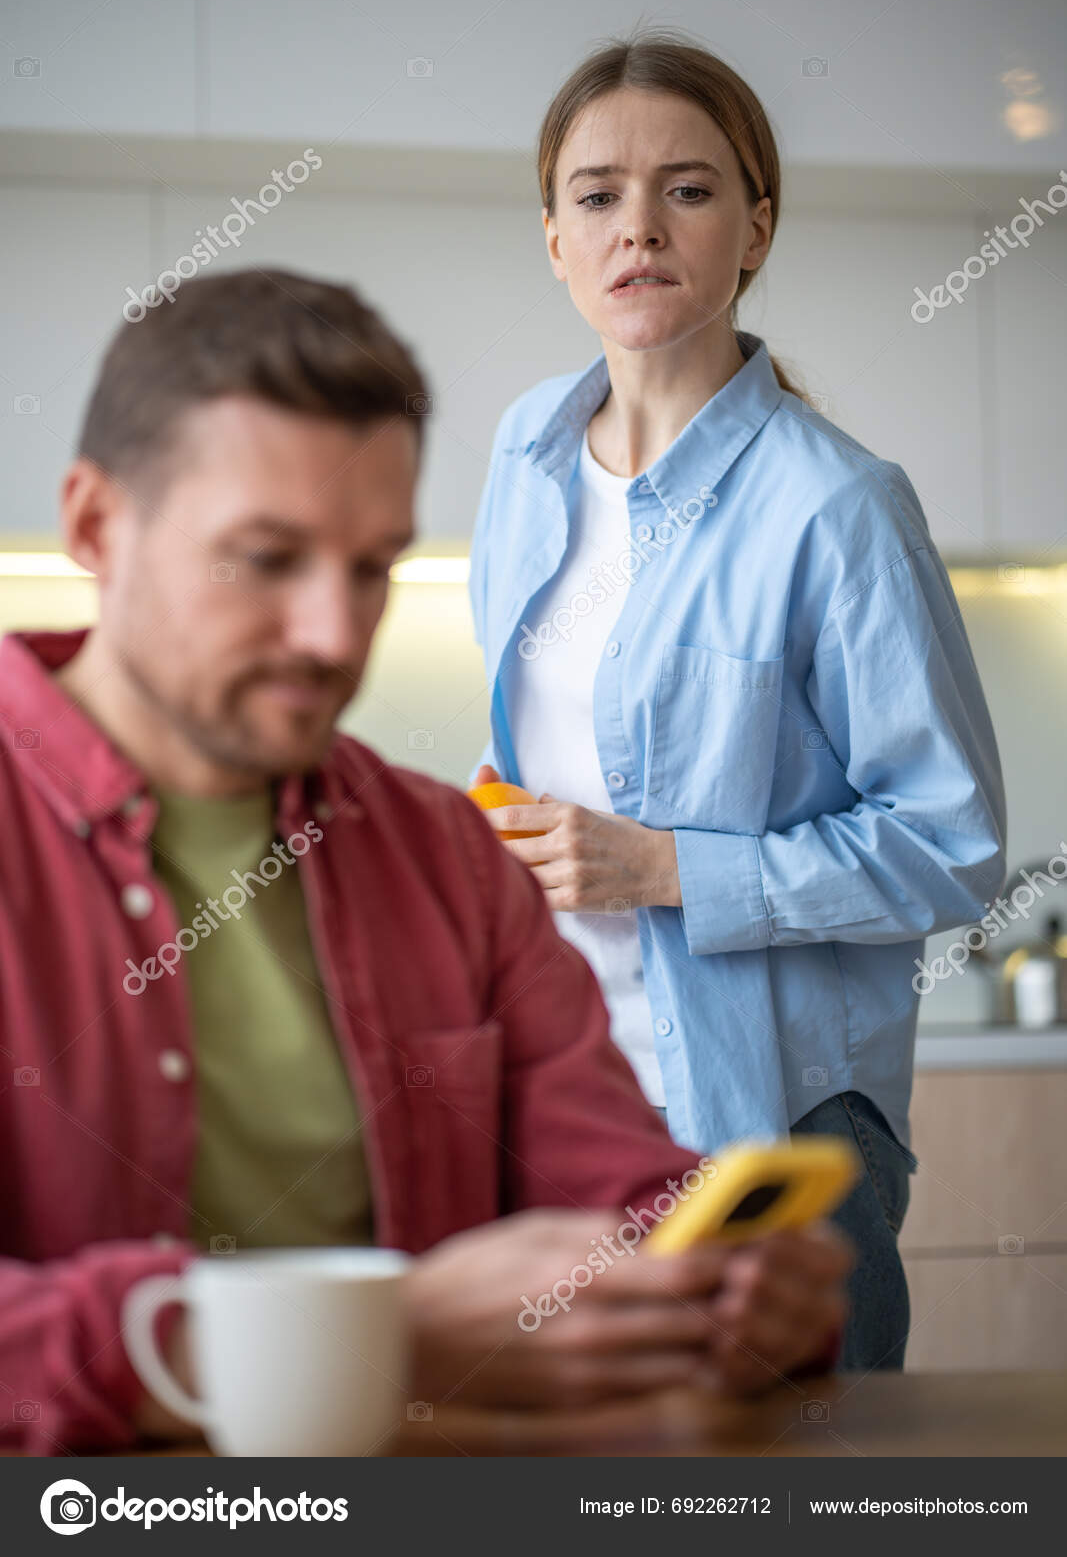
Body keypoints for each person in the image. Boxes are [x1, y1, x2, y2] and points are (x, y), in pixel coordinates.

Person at [0, 267, 850, 1458]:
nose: (334, 635)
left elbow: (613, 1190)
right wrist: (374, 1334)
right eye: (266, 557)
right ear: (95, 526)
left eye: (370, 566)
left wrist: (717, 1282)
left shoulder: (446, 853)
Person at [467, 29, 1007, 1372]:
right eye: (596, 194)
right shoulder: (522, 452)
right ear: (551, 238)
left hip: (764, 1130)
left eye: (687, 190)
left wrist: (661, 867)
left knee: (782, 1498)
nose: (635, 227)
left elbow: (950, 848)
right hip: (561, 1106)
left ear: (753, 227)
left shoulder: (836, 506)